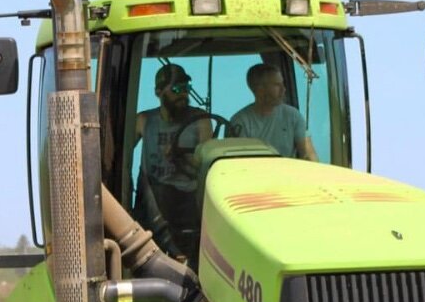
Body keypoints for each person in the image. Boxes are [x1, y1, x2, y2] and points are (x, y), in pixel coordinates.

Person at [131, 63, 212, 259]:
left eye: (186, 89)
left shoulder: (200, 120)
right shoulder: (144, 121)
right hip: (153, 202)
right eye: (176, 89)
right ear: (158, 92)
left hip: (188, 200)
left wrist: (182, 156)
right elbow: (117, 155)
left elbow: (207, 167)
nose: (183, 94)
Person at [228, 63, 318, 161]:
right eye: (277, 85)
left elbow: (309, 156)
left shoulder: (293, 116)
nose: (283, 89)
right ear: (260, 89)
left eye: (282, 84)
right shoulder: (240, 121)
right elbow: (238, 162)